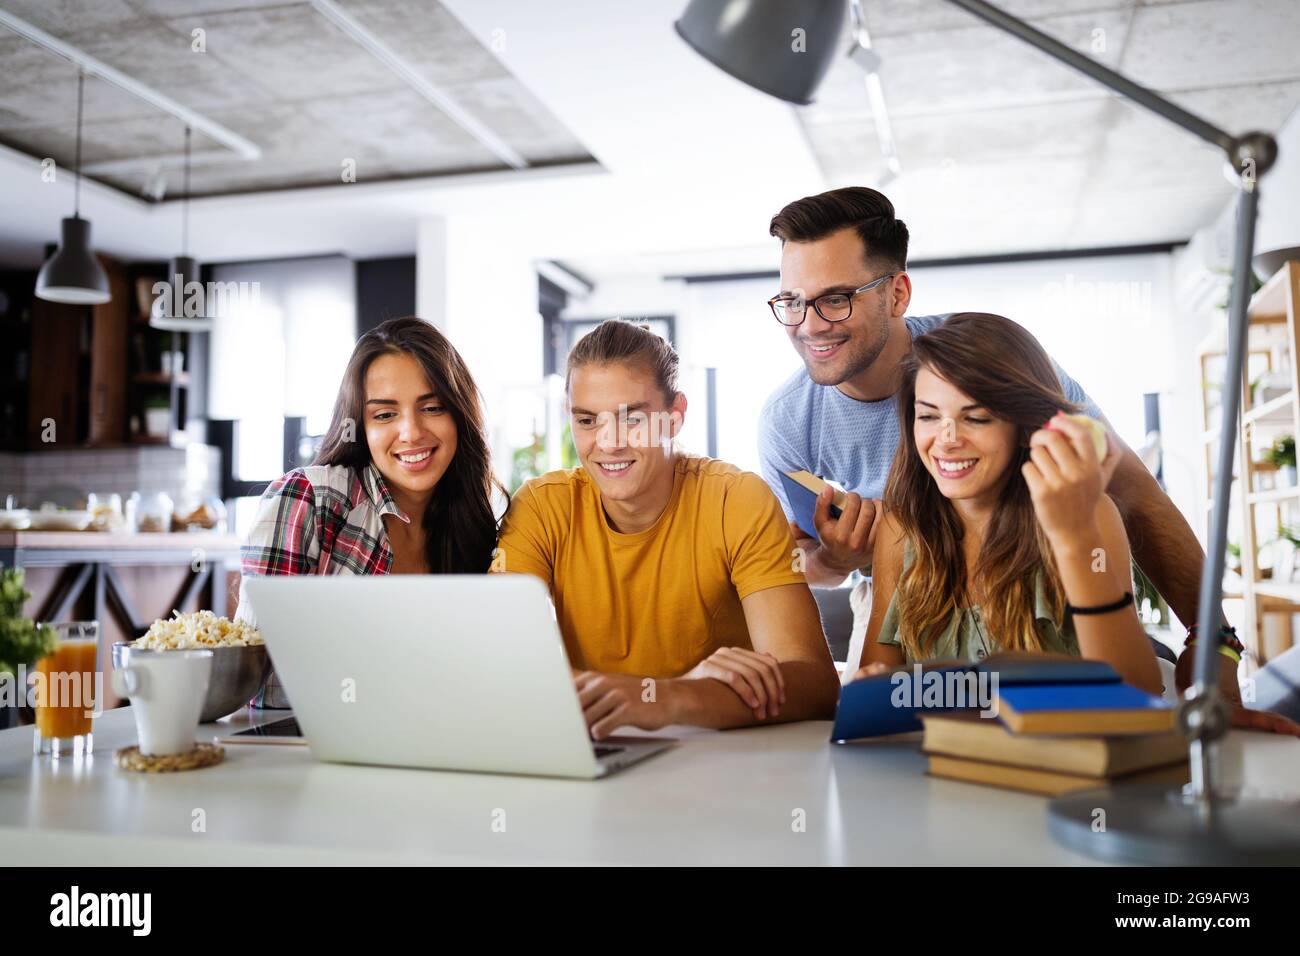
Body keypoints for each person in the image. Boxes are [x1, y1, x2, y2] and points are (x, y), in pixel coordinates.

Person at [759, 185, 1299, 734]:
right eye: (792, 301)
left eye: (834, 298)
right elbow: (805, 567)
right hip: (918, 591)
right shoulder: (790, 425)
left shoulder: (986, 358)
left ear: (897, 294)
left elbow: (1132, 494)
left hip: (1037, 564)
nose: (808, 324)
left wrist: (1213, 638)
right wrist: (841, 560)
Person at [495, 320, 839, 738]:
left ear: (675, 417)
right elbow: (503, 669)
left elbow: (815, 684)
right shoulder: (543, 507)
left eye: (632, 419)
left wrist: (667, 697)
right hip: (596, 752)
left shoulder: (736, 500)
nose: (608, 443)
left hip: (723, 765)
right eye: (587, 421)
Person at [852, 313, 1162, 693]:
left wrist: (1075, 540)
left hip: (1060, 748)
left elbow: (1137, 687)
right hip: (943, 750)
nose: (947, 439)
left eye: (977, 418)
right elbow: (873, 685)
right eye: (929, 416)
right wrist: (882, 688)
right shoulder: (902, 528)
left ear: (1024, 426)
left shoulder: (1089, 513)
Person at [236, 316, 504, 706]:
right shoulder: (308, 500)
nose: (411, 432)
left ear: (459, 417)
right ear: (359, 426)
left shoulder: (471, 527)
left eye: (432, 407)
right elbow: (251, 686)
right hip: (295, 755)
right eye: (384, 414)